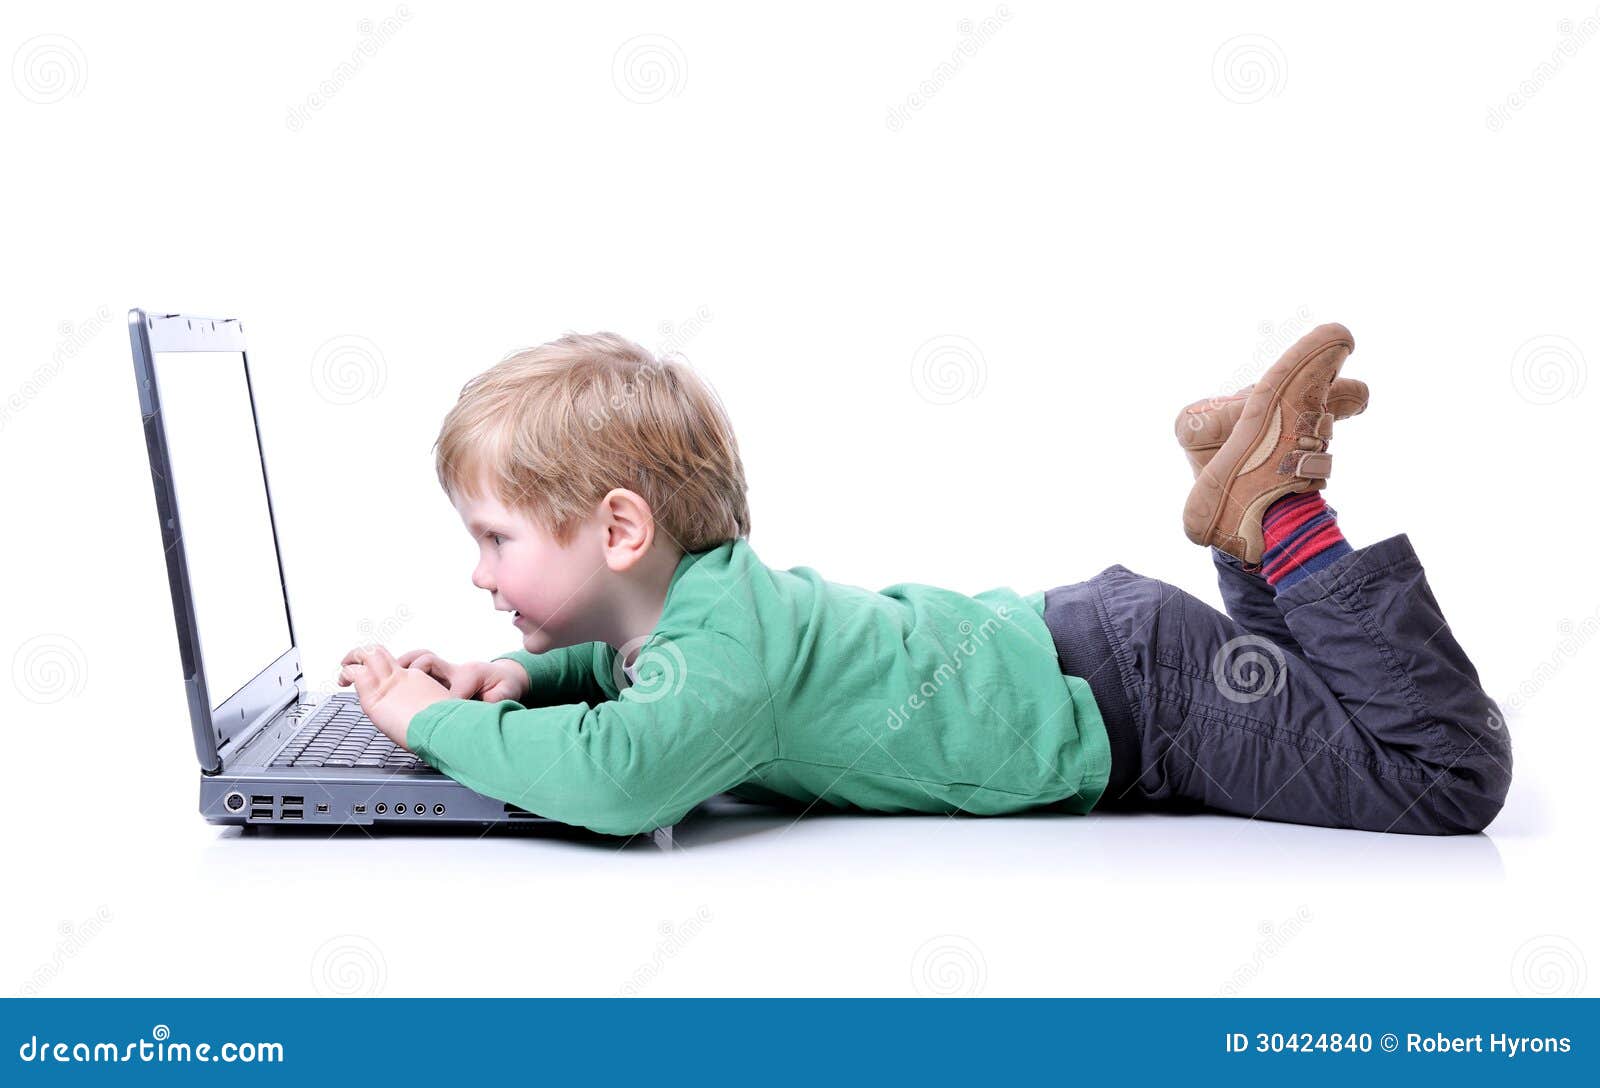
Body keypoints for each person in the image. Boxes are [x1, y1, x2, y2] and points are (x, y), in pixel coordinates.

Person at [337, 324, 1511, 838]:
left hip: (1144, 707)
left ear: (621, 528)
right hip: (1111, 657)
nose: (476, 570)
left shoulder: (724, 654)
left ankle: (1281, 515)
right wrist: (523, 677)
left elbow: (628, 772)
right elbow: (632, 674)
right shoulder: (701, 611)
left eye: (495, 540)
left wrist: (435, 719)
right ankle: (1249, 510)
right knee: (1342, 713)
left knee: (1444, 775)